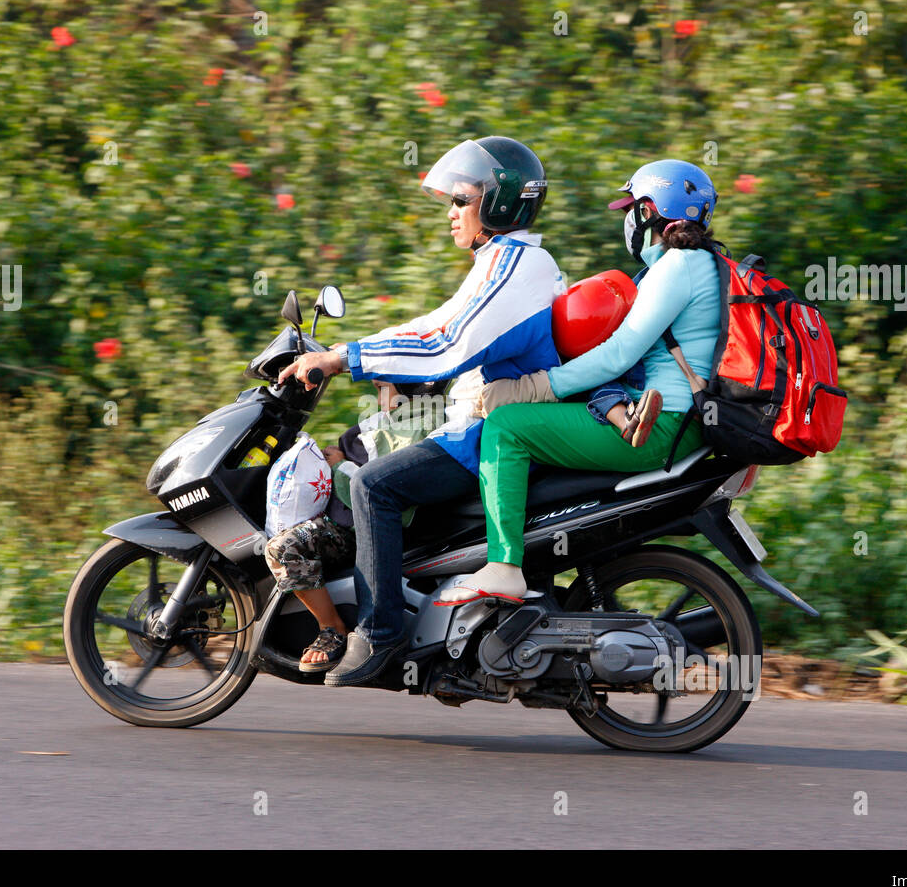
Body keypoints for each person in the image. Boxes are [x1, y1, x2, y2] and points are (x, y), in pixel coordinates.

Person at [277, 136, 564, 686]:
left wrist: (345, 359)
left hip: (485, 429)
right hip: (480, 417)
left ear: (499, 203)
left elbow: (446, 342)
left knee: (371, 485)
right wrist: (366, 354)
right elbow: (438, 324)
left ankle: (378, 634)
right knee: (366, 442)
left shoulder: (515, 264)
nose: (452, 212)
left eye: (463, 200)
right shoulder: (505, 261)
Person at [438, 159, 723, 604]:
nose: (627, 220)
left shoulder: (679, 266)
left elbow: (618, 353)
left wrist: (534, 386)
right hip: (673, 416)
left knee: (507, 428)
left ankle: (505, 565)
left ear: (649, 211)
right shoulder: (703, 263)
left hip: (665, 423)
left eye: (631, 208)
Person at [264, 380, 445, 673]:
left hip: (358, 528)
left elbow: (374, 488)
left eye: (382, 388)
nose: (377, 396)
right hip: (339, 516)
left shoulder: (417, 432)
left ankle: (330, 627)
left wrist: (338, 466)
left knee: (284, 548)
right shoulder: (391, 424)